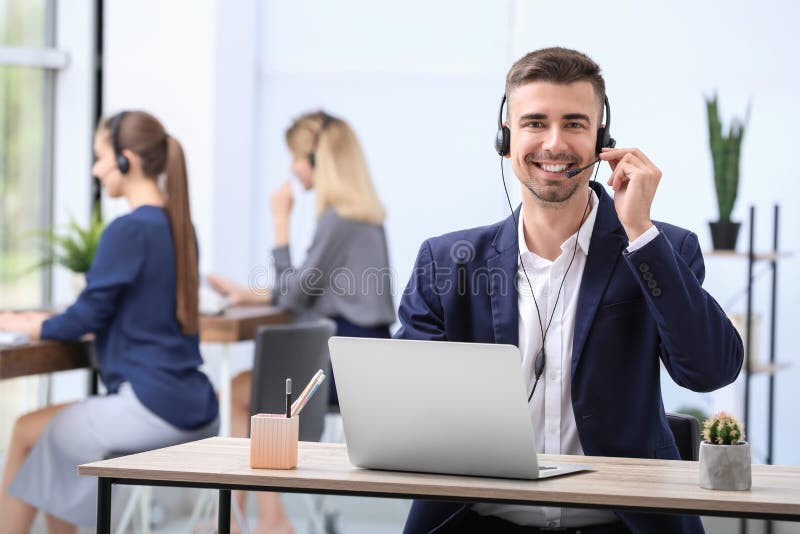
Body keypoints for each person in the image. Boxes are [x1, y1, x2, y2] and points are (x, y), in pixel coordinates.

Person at [395, 48, 743, 534]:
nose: (554, 144)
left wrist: (639, 231)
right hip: (478, 522)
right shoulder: (447, 262)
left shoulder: (660, 249)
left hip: (618, 525)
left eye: (575, 124)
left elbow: (710, 371)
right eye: (535, 122)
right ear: (506, 137)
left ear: (603, 140)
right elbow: (404, 409)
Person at [0, 111, 219, 533]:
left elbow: (84, 316)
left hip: (150, 406)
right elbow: (119, 308)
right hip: (193, 402)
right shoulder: (180, 227)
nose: (96, 169)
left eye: (100, 156)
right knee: (48, 445)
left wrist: (22, 322)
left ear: (127, 160)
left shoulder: (129, 230)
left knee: (31, 433)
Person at [207, 110, 396, 533]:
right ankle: (245, 521)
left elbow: (294, 297)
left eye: (295, 157)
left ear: (317, 159)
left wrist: (279, 224)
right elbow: (312, 286)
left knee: (237, 394)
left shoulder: (337, 220)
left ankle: (266, 520)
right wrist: (248, 291)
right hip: (361, 357)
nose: (291, 168)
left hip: (345, 363)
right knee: (241, 391)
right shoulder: (361, 218)